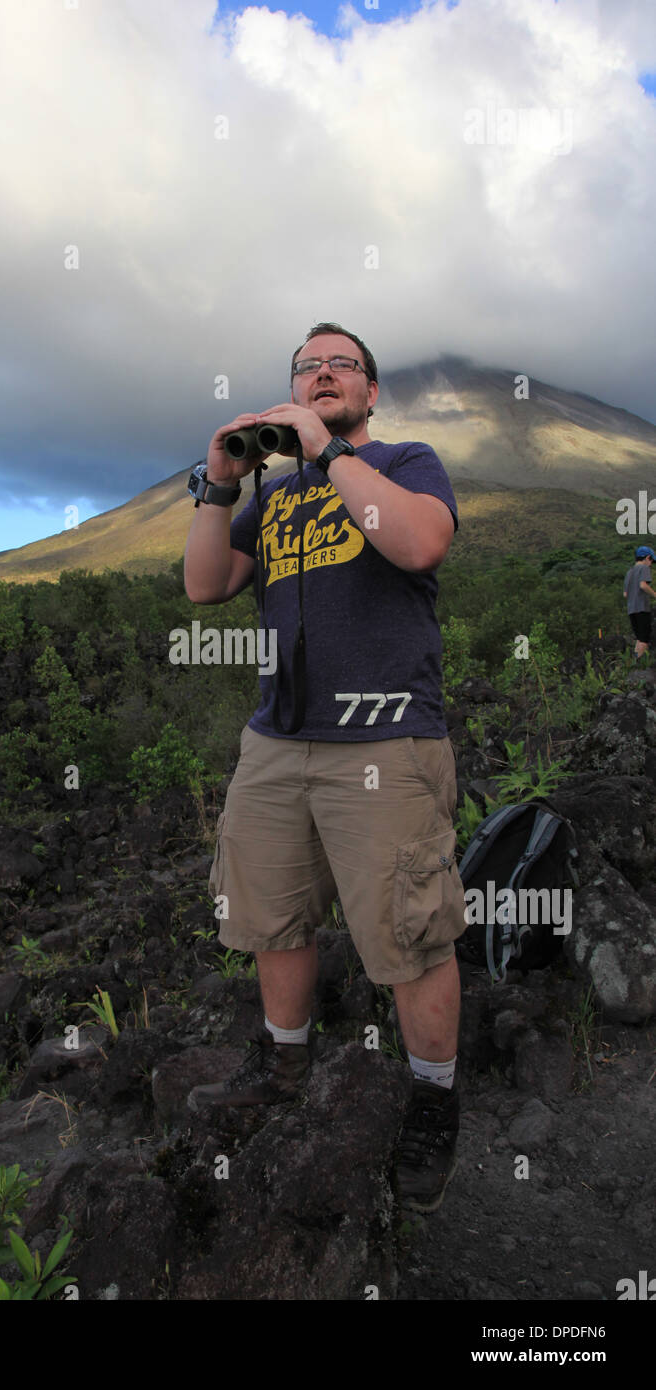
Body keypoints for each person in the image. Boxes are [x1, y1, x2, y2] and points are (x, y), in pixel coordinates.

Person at [182, 322, 467, 1213]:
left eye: (343, 364)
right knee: (273, 912)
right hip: (278, 739)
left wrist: (327, 452)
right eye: (307, 368)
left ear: (371, 393)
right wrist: (216, 486)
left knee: (411, 930)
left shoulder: (407, 461)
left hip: (384, 739)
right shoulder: (274, 498)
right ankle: (284, 1061)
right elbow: (204, 585)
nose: (324, 373)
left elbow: (419, 543)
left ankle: (432, 1097)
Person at [623, 546, 656, 658]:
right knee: (644, 638)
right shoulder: (644, 568)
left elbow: (625, 594)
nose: (651, 564)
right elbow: (643, 585)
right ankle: (641, 666)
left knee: (639, 638)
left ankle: (634, 664)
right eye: (651, 560)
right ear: (647, 557)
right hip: (642, 607)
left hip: (631, 609)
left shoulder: (629, 572)